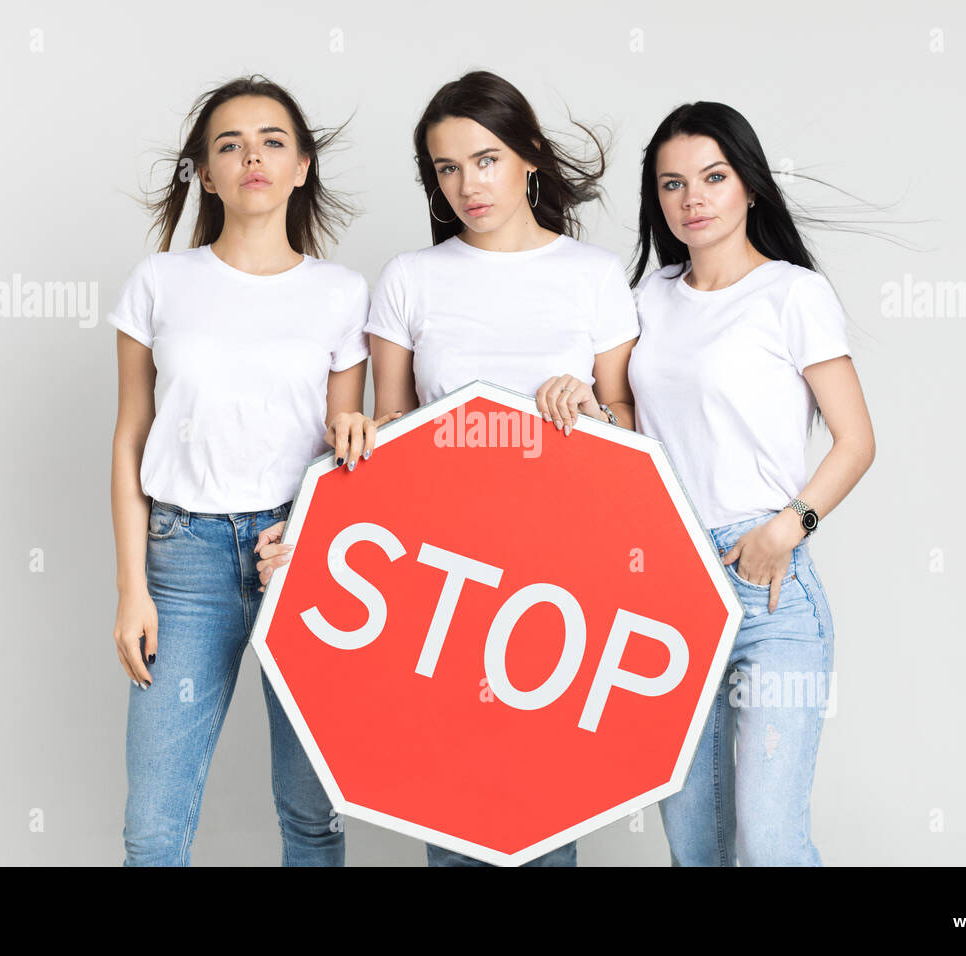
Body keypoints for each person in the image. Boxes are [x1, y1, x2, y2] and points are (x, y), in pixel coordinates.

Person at [364, 70, 640, 867]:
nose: (467, 185)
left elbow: (634, 432)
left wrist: (591, 409)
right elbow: (387, 430)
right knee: (452, 814)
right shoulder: (410, 277)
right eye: (446, 168)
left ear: (529, 157)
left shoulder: (590, 276)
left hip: (558, 579)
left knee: (541, 817)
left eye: (484, 159)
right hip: (442, 577)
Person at [108, 75, 384, 866]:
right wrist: (132, 589)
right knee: (154, 830)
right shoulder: (160, 283)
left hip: (300, 560)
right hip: (181, 559)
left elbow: (345, 457)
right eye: (229, 145)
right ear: (205, 171)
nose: (251, 157)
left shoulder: (340, 294)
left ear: (302, 167)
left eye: (272, 142)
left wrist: (310, 531)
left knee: (312, 815)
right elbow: (130, 437)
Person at [627, 102, 876, 865]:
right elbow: (626, 431)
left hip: (767, 585)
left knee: (766, 843)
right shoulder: (643, 298)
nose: (691, 199)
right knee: (697, 848)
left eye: (713, 177)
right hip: (666, 587)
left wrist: (784, 530)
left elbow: (857, 440)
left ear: (750, 187)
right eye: (672, 184)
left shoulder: (791, 294)